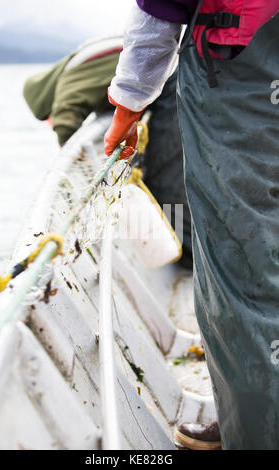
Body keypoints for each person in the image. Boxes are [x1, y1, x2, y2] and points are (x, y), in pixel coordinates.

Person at [104, 1, 279, 450]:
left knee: (240, 269)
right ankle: (251, 415)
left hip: (238, 92)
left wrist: (126, 110)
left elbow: (159, 16)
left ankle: (259, 429)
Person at [23, 36, 193, 268]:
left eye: (47, 117)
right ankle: (189, 247)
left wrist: (77, 180)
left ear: (45, 101)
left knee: (166, 178)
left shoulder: (69, 83)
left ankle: (189, 254)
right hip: (175, 76)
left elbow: (65, 121)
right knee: (175, 172)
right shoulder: (83, 61)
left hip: (171, 85)